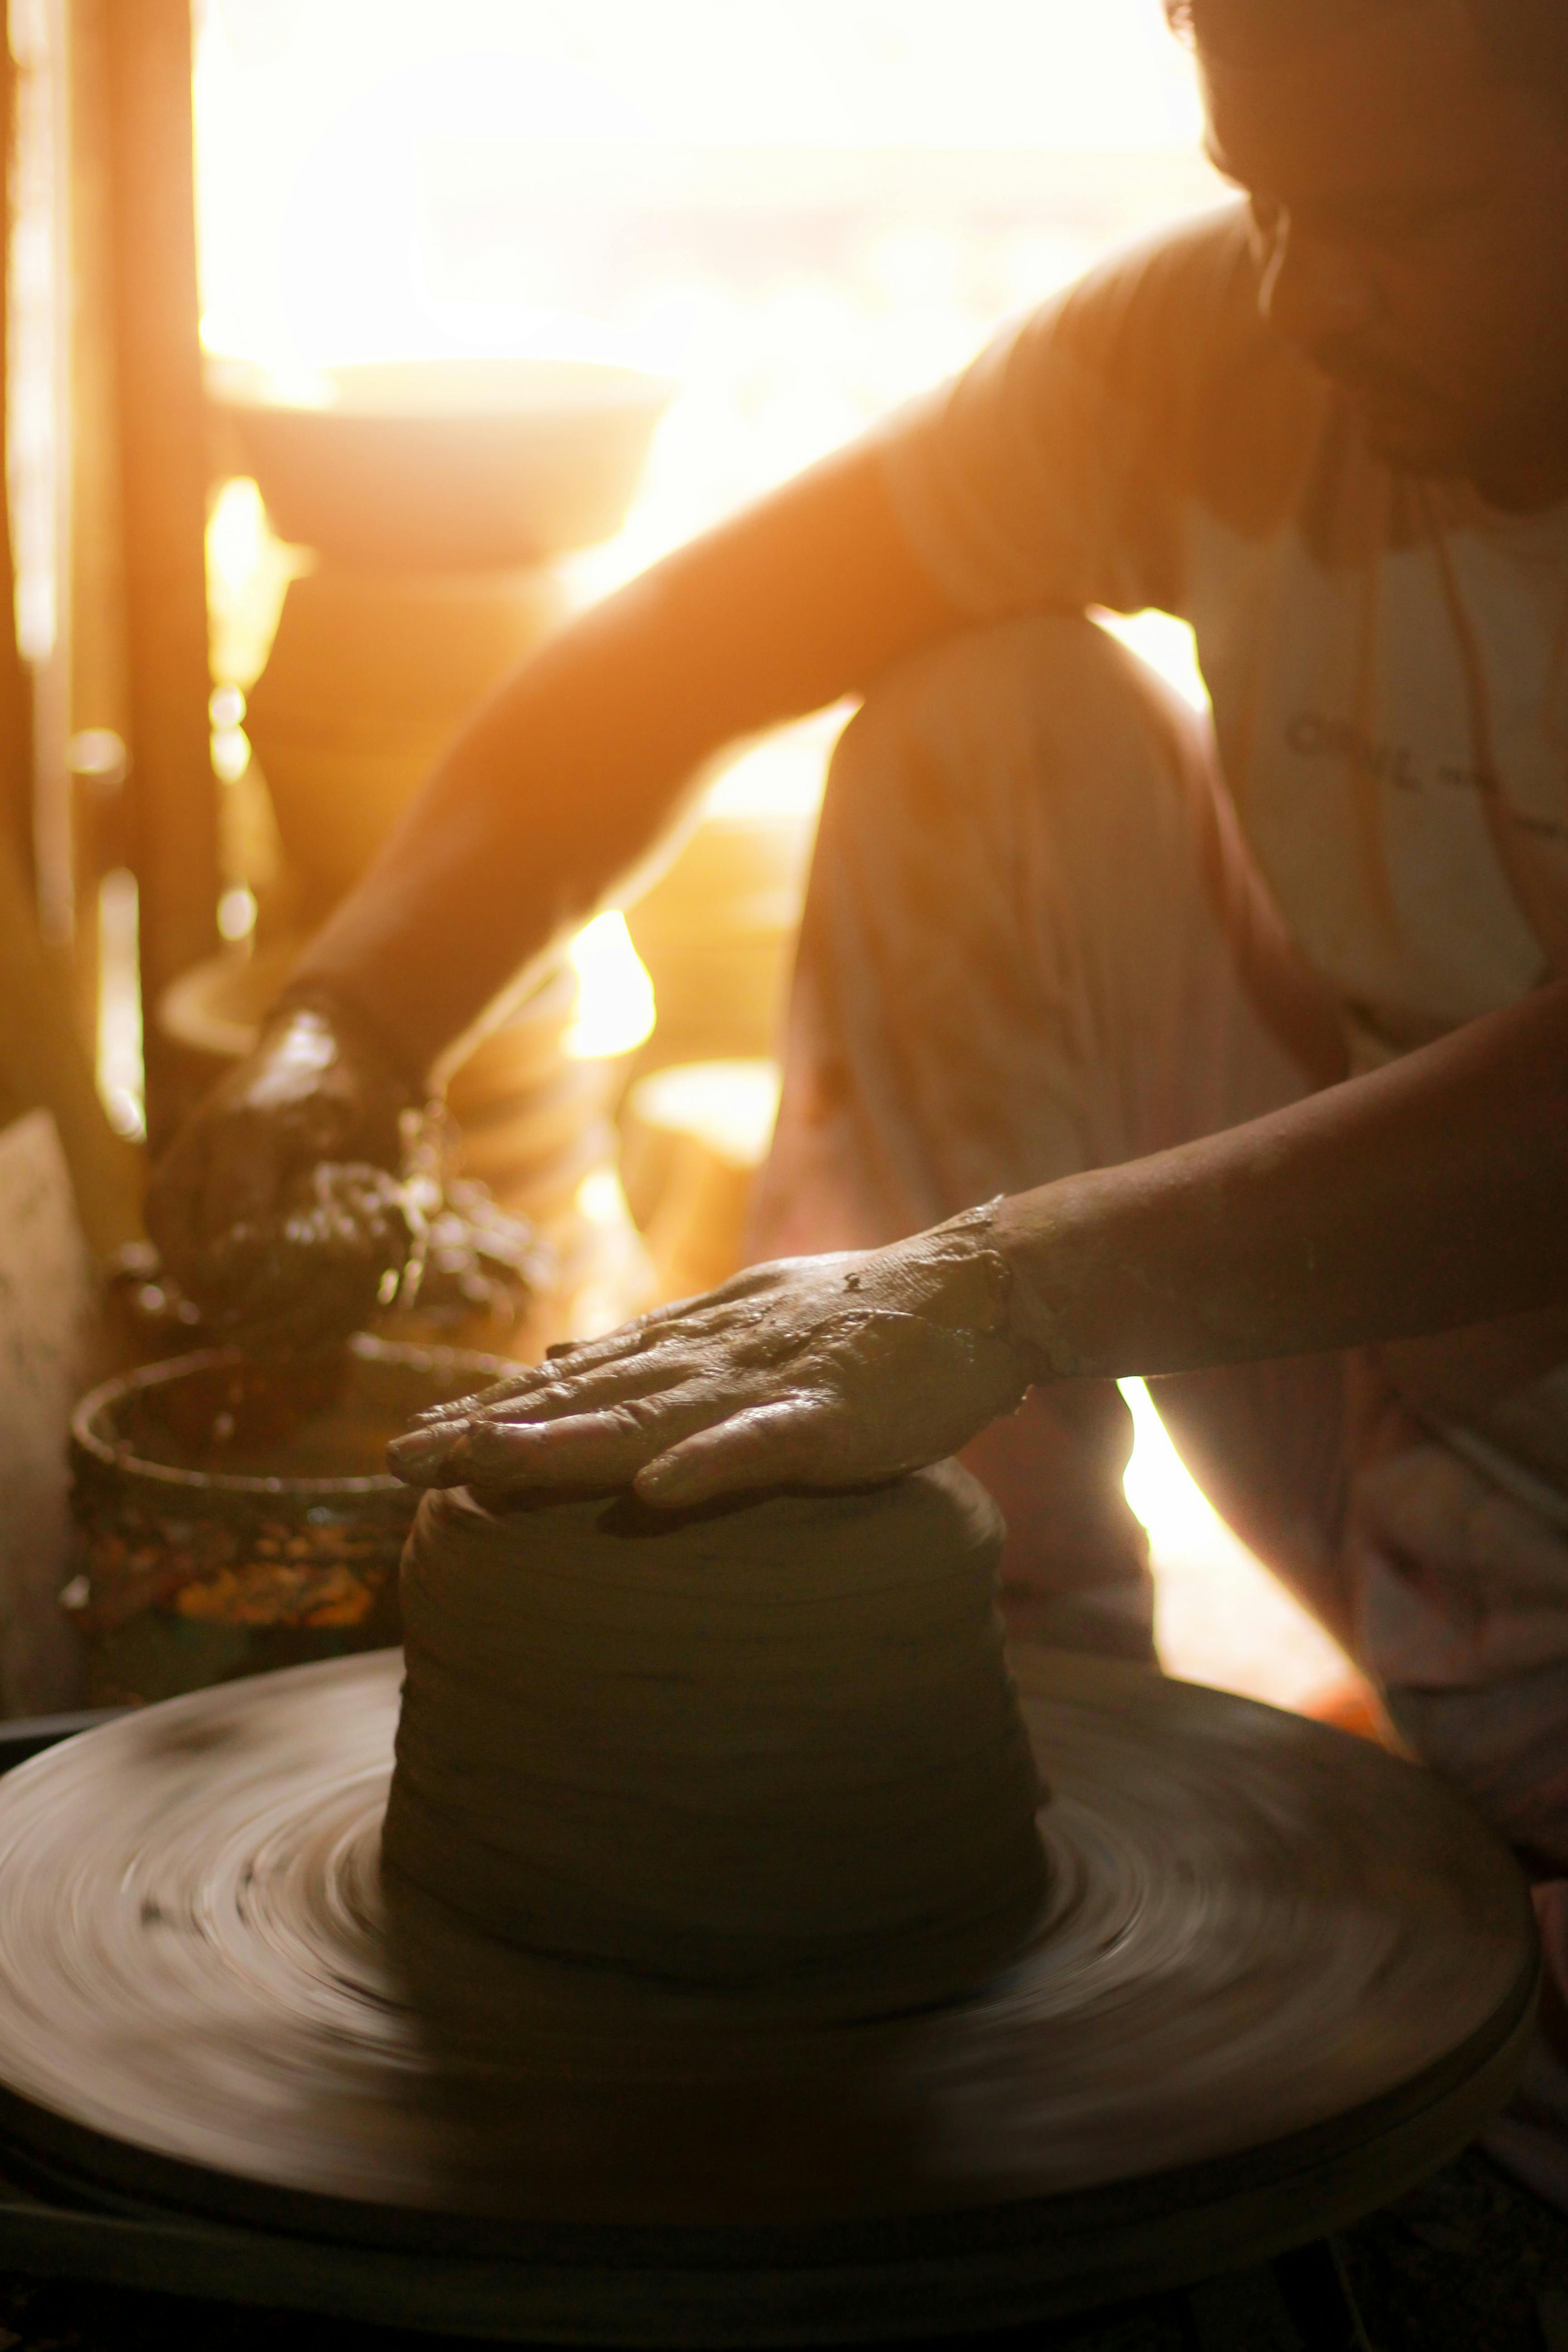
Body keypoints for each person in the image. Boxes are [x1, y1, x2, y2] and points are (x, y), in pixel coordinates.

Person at [152, 0, 1568, 2196]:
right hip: (1429, 1424)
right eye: (1260, 198)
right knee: (978, 727)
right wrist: (350, 1033)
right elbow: (680, 654)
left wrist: (989, 1291)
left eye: (1396, 214)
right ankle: (996, 1708)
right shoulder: (1246, 343)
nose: (1308, 293)